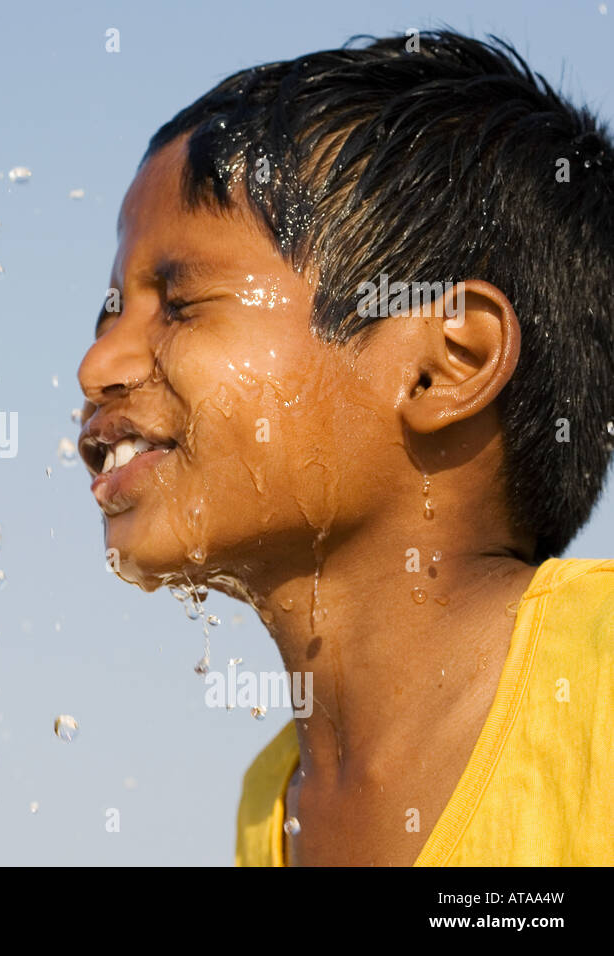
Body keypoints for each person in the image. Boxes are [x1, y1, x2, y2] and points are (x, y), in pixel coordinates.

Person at [76, 30, 614, 865]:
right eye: (107, 313)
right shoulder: (273, 809)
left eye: (177, 304)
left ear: (446, 364)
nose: (97, 365)